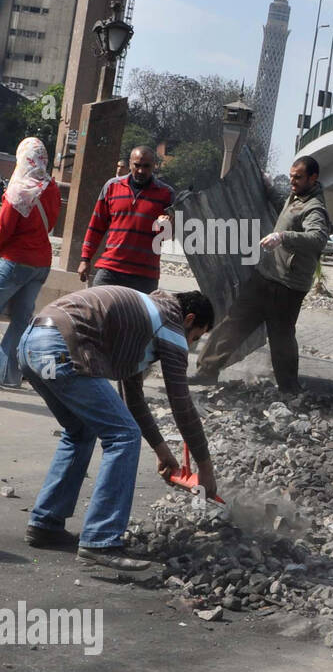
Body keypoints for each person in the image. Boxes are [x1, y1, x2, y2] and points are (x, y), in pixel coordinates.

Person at [20, 286, 217, 571]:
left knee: (81, 431)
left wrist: (163, 452)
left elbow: (133, 399)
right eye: (195, 337)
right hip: (61, 347)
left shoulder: (144, 319)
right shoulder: (171, 325)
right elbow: (181, 402)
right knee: (123, 437)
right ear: (188, 319)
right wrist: (206, 468)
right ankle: (101, 540)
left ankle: (46, 524)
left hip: (32, 346)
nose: (190, 345)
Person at [191, 156, 329, 394]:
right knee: (233, 324)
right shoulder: (296, 198)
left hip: (287, 287)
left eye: (298, 177)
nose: (293, 181)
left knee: (282, 339)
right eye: (291, 176)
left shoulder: (315, 207)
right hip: (266, 277)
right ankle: (206, 373)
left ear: (313, 178)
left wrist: (283, 237)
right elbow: (284, 210)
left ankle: (289, 389)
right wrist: (268, 188)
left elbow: (318, 238)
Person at [0, 137, 61, 388]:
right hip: (41, 264)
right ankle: (8, 377)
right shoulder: (52, 188)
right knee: (21, 321)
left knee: (19, 320)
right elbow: (53, 222)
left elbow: (3, 229)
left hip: (15, 261)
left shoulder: (18, 190)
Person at [79, 145, 174, 293]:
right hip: (110, 270)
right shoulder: (112, 187)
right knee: (98, 312)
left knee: (140, 317)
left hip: (145, 276)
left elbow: (167, 237)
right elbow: (96, 226)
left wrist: (167, 226)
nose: (141, 170)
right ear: (129, 164)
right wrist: (85, 258)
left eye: (146, 166)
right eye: (137, 165)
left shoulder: (166, 194)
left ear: (154, 166)